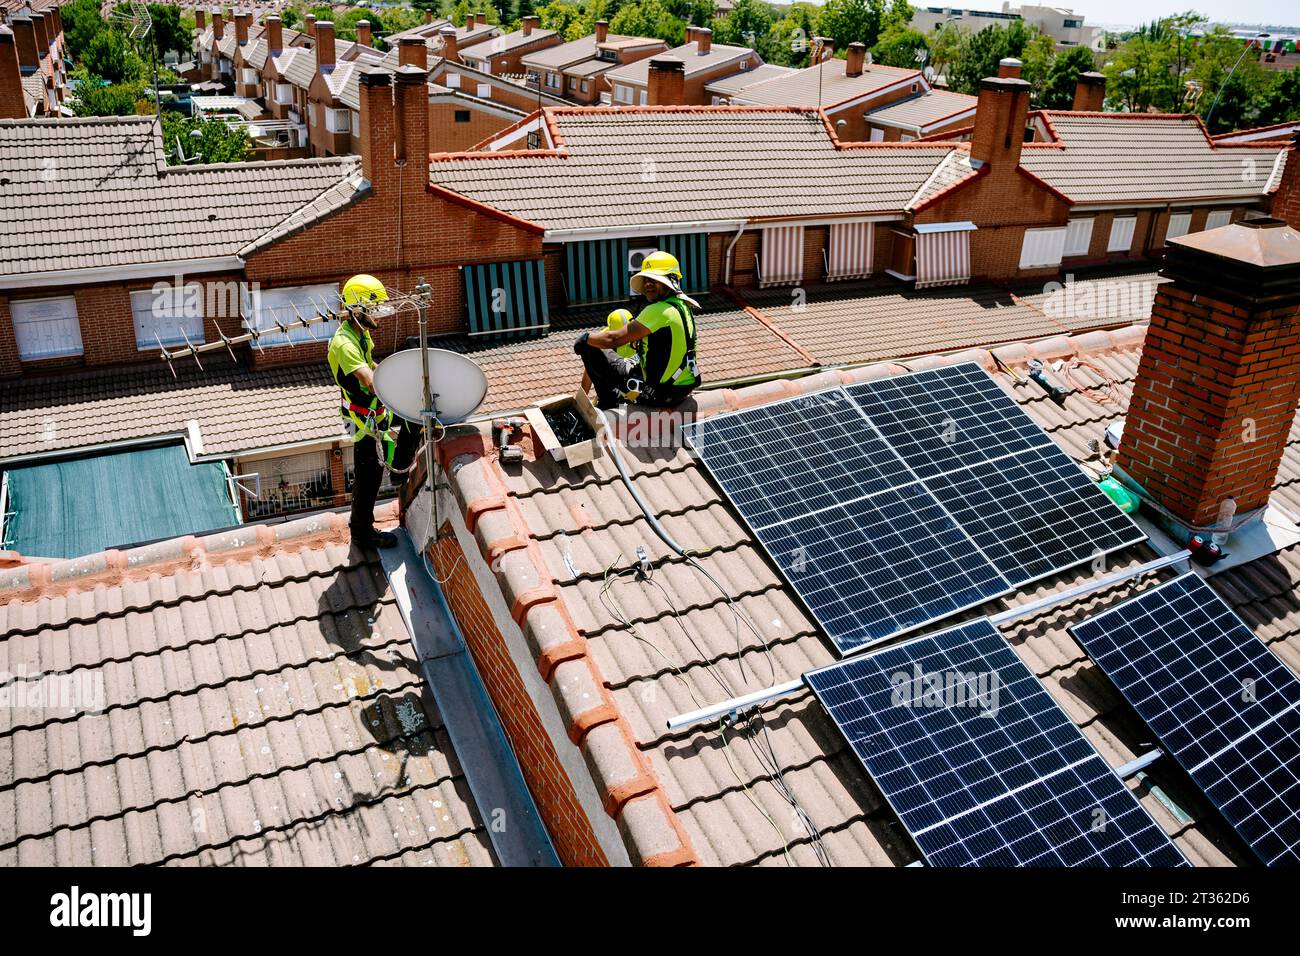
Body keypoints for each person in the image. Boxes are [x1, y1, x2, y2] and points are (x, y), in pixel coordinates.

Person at [328, 274, 421, 549]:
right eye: (373, 310)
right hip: (361, 418)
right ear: (358, 311)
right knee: (368, 475)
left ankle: (399, 473)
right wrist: (398, 390)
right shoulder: (343, 345)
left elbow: (372, 366)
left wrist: (394, 377)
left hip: (371, 411)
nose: (378, 316)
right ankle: (362, 533)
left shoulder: (361, 333)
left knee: (410, 420)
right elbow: (368, 380)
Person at [573, 251, 701, 410]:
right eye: (646, 280)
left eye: (655, 280)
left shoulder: (658, 310)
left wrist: (584, 339)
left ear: (671, 281)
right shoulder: (683, 306)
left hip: (660, 394)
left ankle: (608, 404)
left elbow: (613, 339)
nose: (648, 284)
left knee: (591, 346)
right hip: (682, 388)